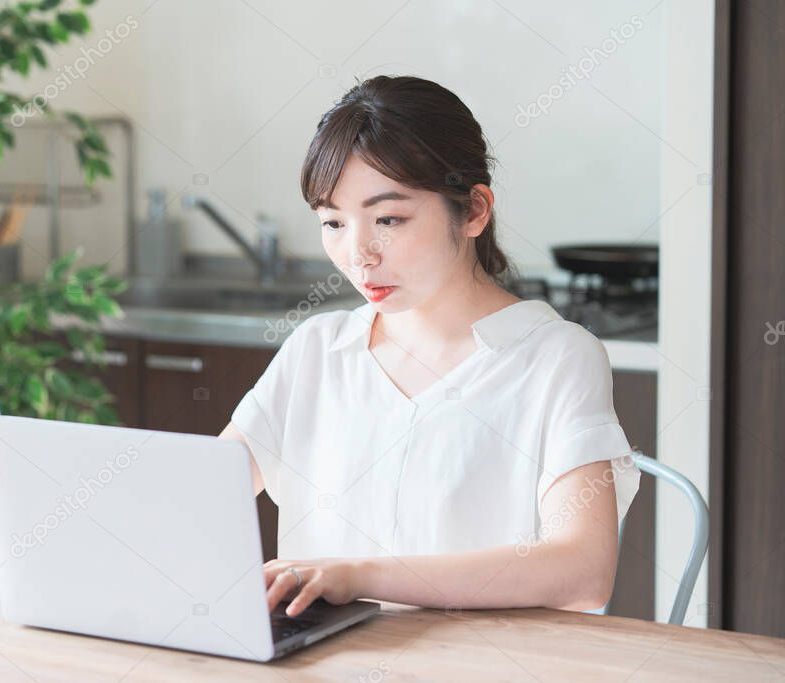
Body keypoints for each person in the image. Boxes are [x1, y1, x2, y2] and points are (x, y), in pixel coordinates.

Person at [220, 75, 639, 618]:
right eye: (333, 223)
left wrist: (358, 576)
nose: (358, 255)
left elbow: (582, 571)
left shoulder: (556, 356)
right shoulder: (318, 349)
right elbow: (201, 493)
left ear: (473, 211)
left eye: (388, 219)